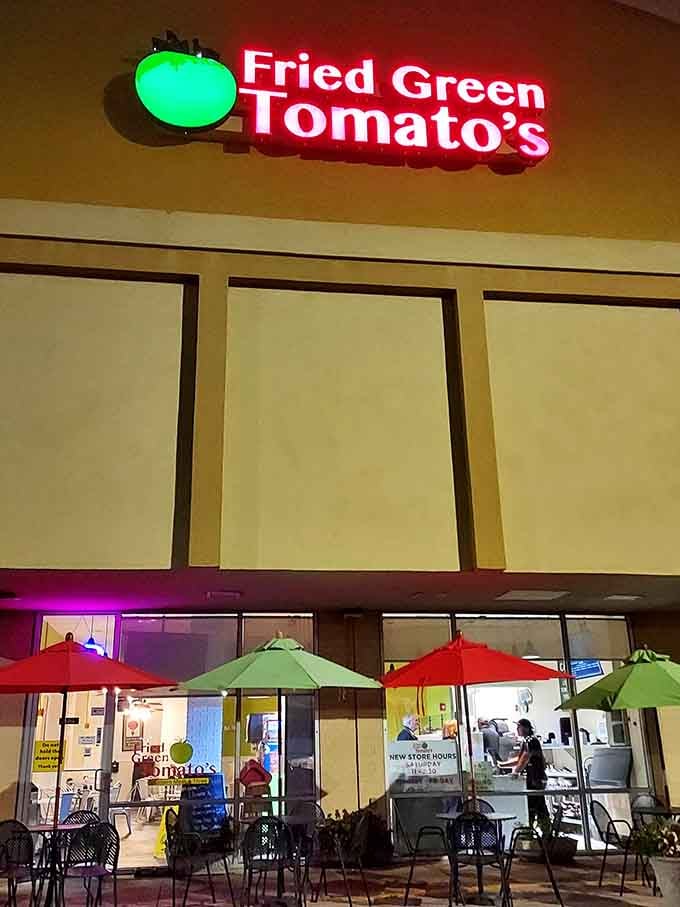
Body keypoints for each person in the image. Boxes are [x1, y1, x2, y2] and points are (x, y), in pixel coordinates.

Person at [499, 718, 549, 826]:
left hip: (535, 779)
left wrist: (516, 772)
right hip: (532, 780)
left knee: (537, 807)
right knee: (534, 807)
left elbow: (525, 758)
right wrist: (502, 765)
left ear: (526, 728)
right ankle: (536, 830)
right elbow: (519, 759)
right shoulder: (525, 741)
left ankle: (542, 833)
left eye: (519, 727)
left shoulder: (531, 740)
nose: (517, 729)